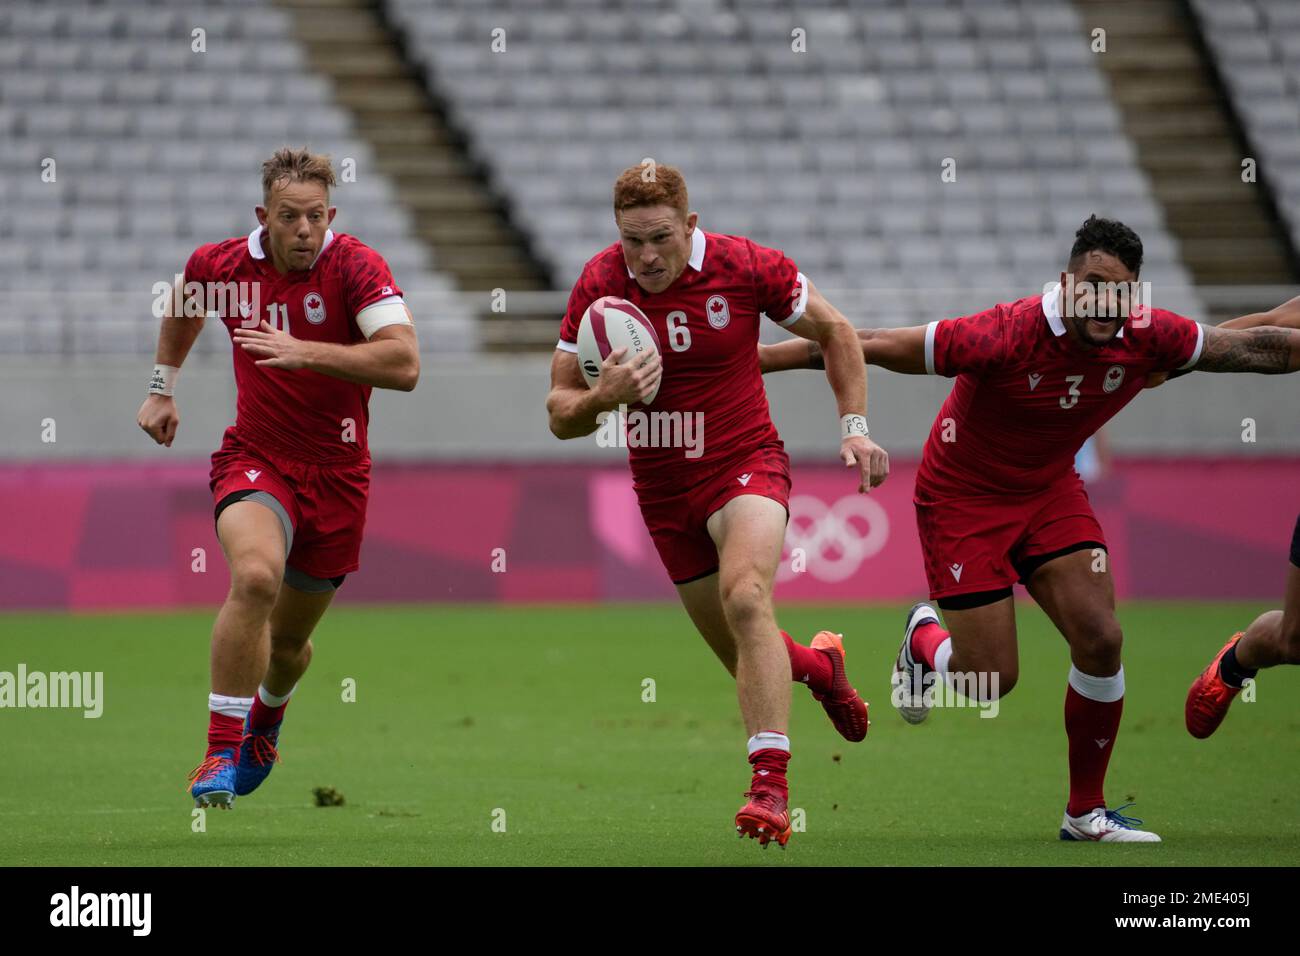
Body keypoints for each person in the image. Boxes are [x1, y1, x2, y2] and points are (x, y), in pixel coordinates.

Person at [758, 215, 1300, 841]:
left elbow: (1258, 346)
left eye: (1120, 290)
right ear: (1067, 284)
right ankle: (924, 641)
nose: (1105, 301)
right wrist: (754, 363)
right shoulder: (1004, 334)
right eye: (1093, 284)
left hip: (1048, 490)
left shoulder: (1150, 337)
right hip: (962, 498)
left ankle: (1085, 813)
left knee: (1101, 637)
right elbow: (870, 340)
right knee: (993, 679)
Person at [546, 163, 889, 847]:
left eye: (661, 239)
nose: (646, 257)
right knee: (746, 660)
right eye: (632, 241)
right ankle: (820, 668)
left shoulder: (746, 267)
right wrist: (600, 400)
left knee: (745, 597)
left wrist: (854, 428)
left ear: (691, 226)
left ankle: (769, 788)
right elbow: (559, 414)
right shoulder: (598, 284)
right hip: (663, 491)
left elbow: (836, 332)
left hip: (744, 463)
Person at [136, 147, 420, 808]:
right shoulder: (224, 265)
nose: (303, 230)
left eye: (315, 217)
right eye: (289, 217)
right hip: (255, 458)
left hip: (339, 476)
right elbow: (185, 302)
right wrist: (160, 388)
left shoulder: (356, 266)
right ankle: (217, 752)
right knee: (257, 575)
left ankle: (266, 720)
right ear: (263, 215)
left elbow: (405, 363)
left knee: (289, 647)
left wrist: (305, 353)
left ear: (332, 216)